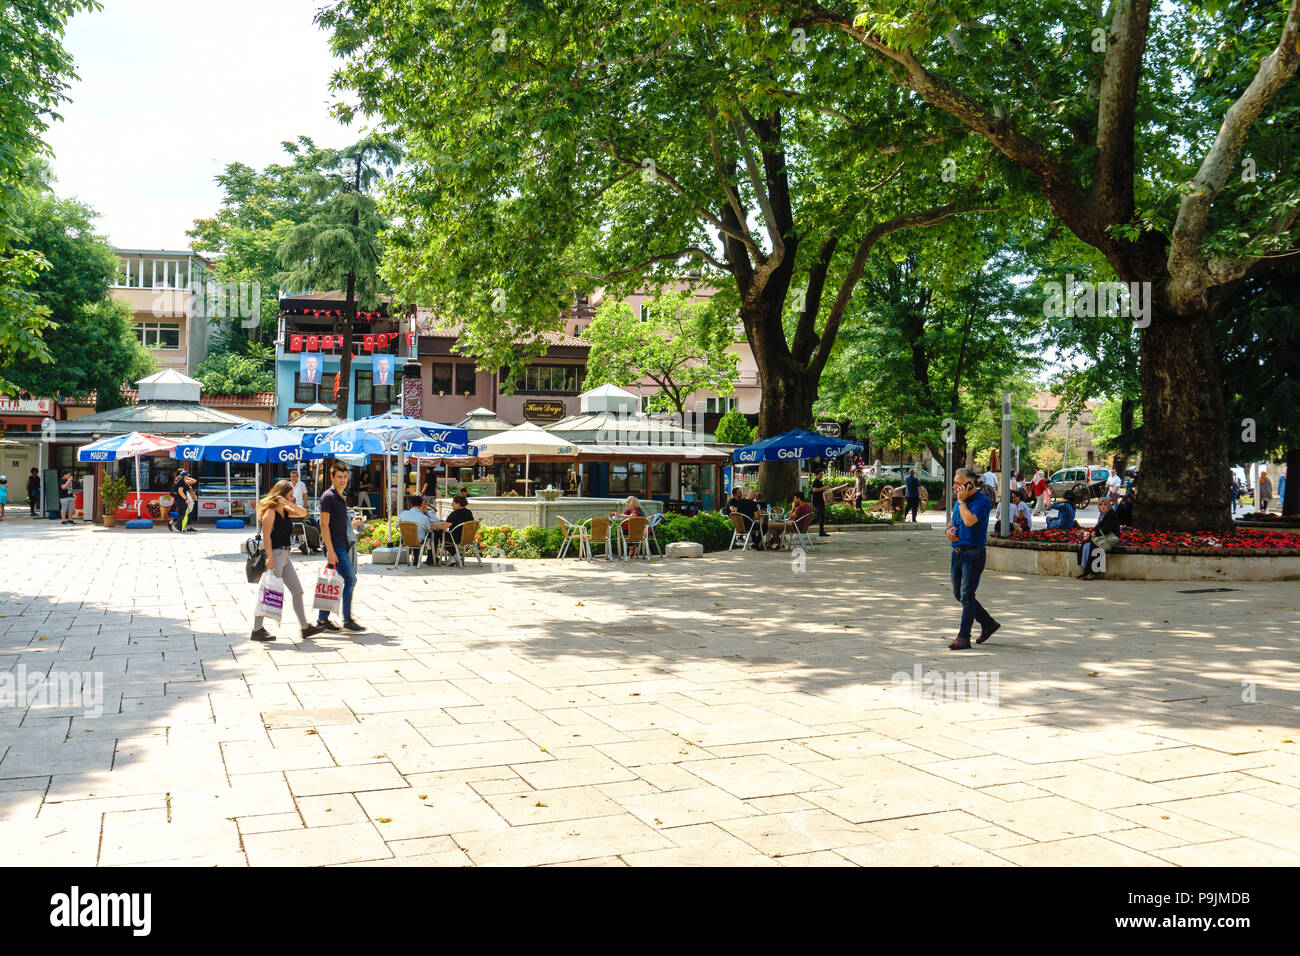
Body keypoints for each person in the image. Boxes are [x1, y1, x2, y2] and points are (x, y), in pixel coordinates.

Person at [251, 479, 321, 642]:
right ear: (281, 493)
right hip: (275, 555)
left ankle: (304, 627)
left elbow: (303, 513)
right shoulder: (270, 512)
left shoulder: (286, 509)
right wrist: (269, 558)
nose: (292, 496)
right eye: (290, 493)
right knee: (268, 592)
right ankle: (256, 629)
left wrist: (287, 503)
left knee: (297, 591)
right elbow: (266, 537)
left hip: (285, 555)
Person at [945, 467, 999, 650]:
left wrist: (961, 502)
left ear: (970, 484)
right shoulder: (960, 501)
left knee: (967, 595)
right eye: (954, 482)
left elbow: (969, 521)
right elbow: (954, 520)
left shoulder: (982, 501)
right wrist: (948, 531)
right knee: (959, 595)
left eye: (958, 484)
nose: (954, 487)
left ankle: (963, 637)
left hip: (974, 554)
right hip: (957, 552)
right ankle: (988, 623)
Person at [316, 461, 364, 633]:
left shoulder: (341, 496)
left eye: (345, 477)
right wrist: (329, 550)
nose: (343, 480)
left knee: (332, 581)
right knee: (350, 579)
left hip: (340, 544)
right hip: (335, 547)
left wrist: (351, 523)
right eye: (339, 477)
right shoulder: (328, 497)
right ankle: (347, 620)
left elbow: (337, 522)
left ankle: (322, 620)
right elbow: (324, 525)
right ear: (332, 477)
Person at [1078, 497, 1122, 580]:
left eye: (1105, 504)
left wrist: (1094, 534)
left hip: (1111, 539)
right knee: (1085, 544)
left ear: (1108, 506)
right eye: (1100, 505)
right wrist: (1091, 534)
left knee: (1094, 547)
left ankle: (1093, 573)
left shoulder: (1111, 514)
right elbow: (1098, 527)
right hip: (1104, 538)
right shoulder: (1102, 515)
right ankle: (1085, 571)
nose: (1103, 506)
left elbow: (1106, 530)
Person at [397, 495, 435, 564]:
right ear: (421, 504)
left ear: (411, 504)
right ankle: (431, 558)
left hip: (405, 539)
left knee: (417, 534)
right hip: (419, 540)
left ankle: (416, 559)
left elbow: (397, 525)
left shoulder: (403, 513)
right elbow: (429, 530)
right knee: (428, 535)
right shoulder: (424, 517)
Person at [810, 471, 829, 537]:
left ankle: (821, 531)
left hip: (821, 501)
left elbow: (821, 492)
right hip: (817, 501)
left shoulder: (820, 482)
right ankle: (806, 524)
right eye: (820, 474)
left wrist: (825, 499)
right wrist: (824, 488)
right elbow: (814, 490)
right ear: (817, 475)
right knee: (819, 517)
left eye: (822, 474)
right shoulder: (815, 482)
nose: (821, 475)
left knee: (821, 517)